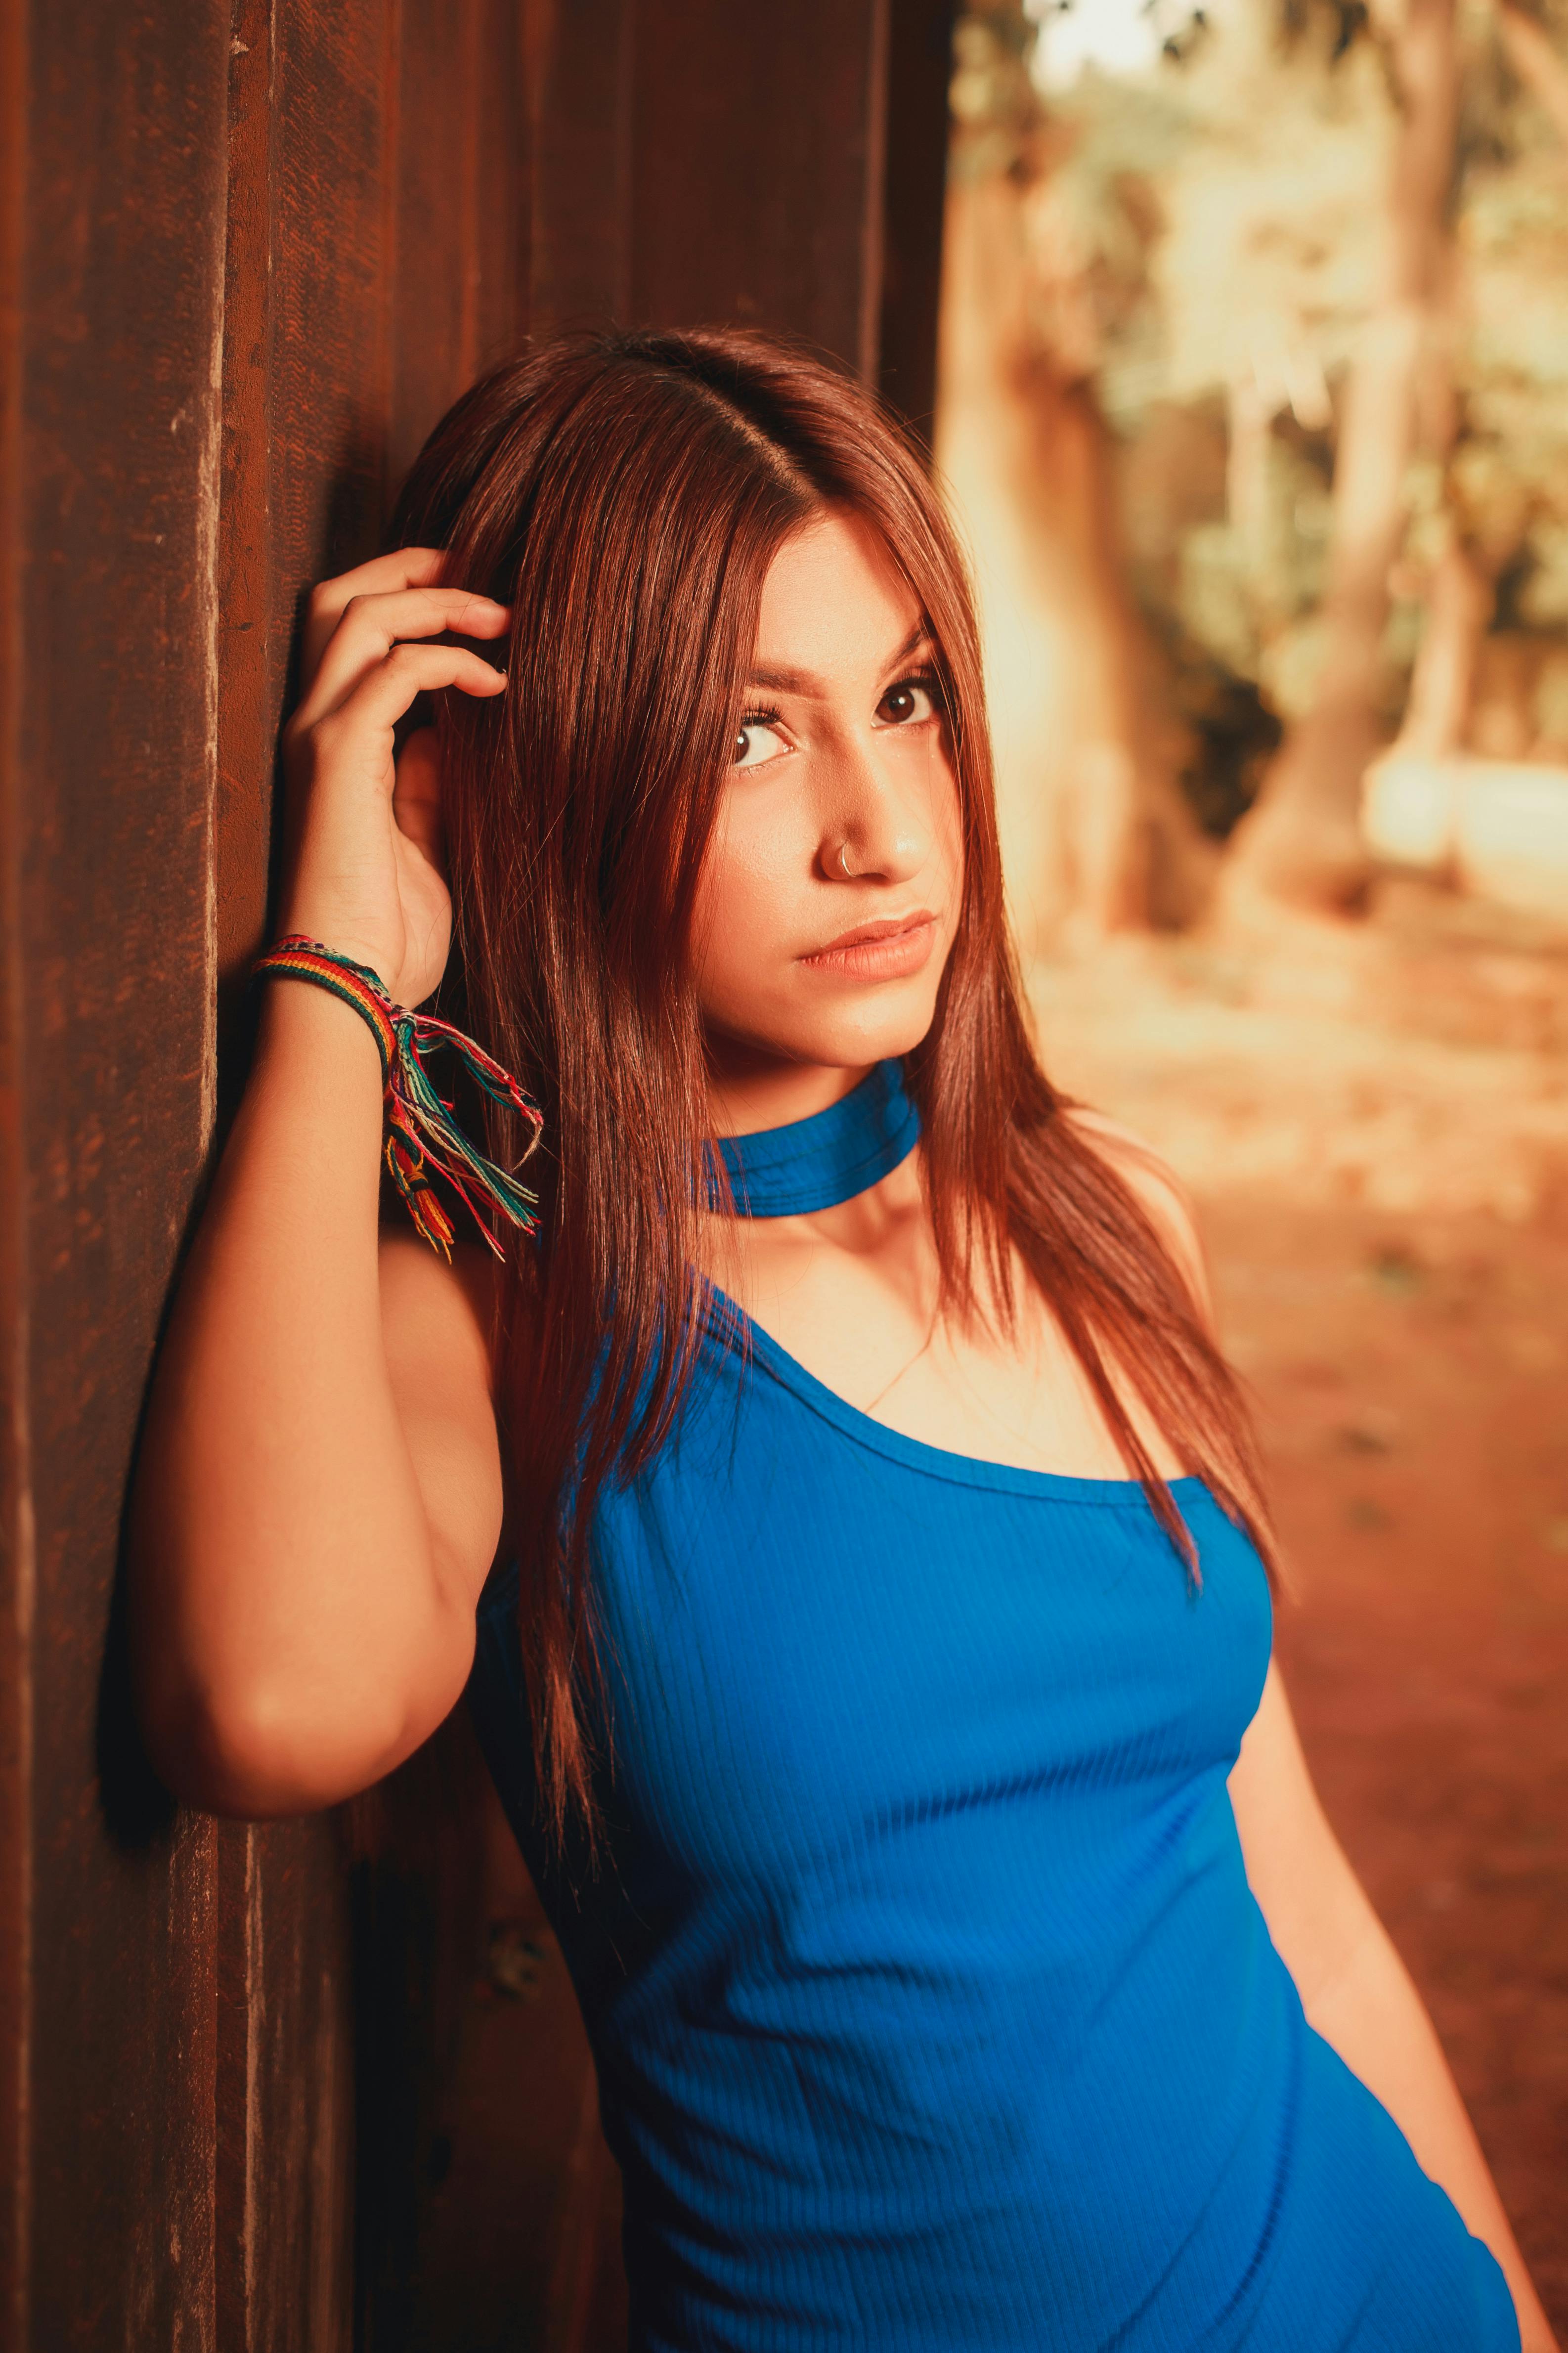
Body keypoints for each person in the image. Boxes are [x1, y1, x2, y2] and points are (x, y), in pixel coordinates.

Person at [127, 328, 1555, 2353]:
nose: (882, 824)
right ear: (541, 771)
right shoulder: (499, 1325)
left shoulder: (1108, 1215)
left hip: (1368, 2289)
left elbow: (1284, 1882)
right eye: (744, 733)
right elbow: (257, 1703)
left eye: (902, 696)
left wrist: (1505, 2304)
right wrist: (336, 973)